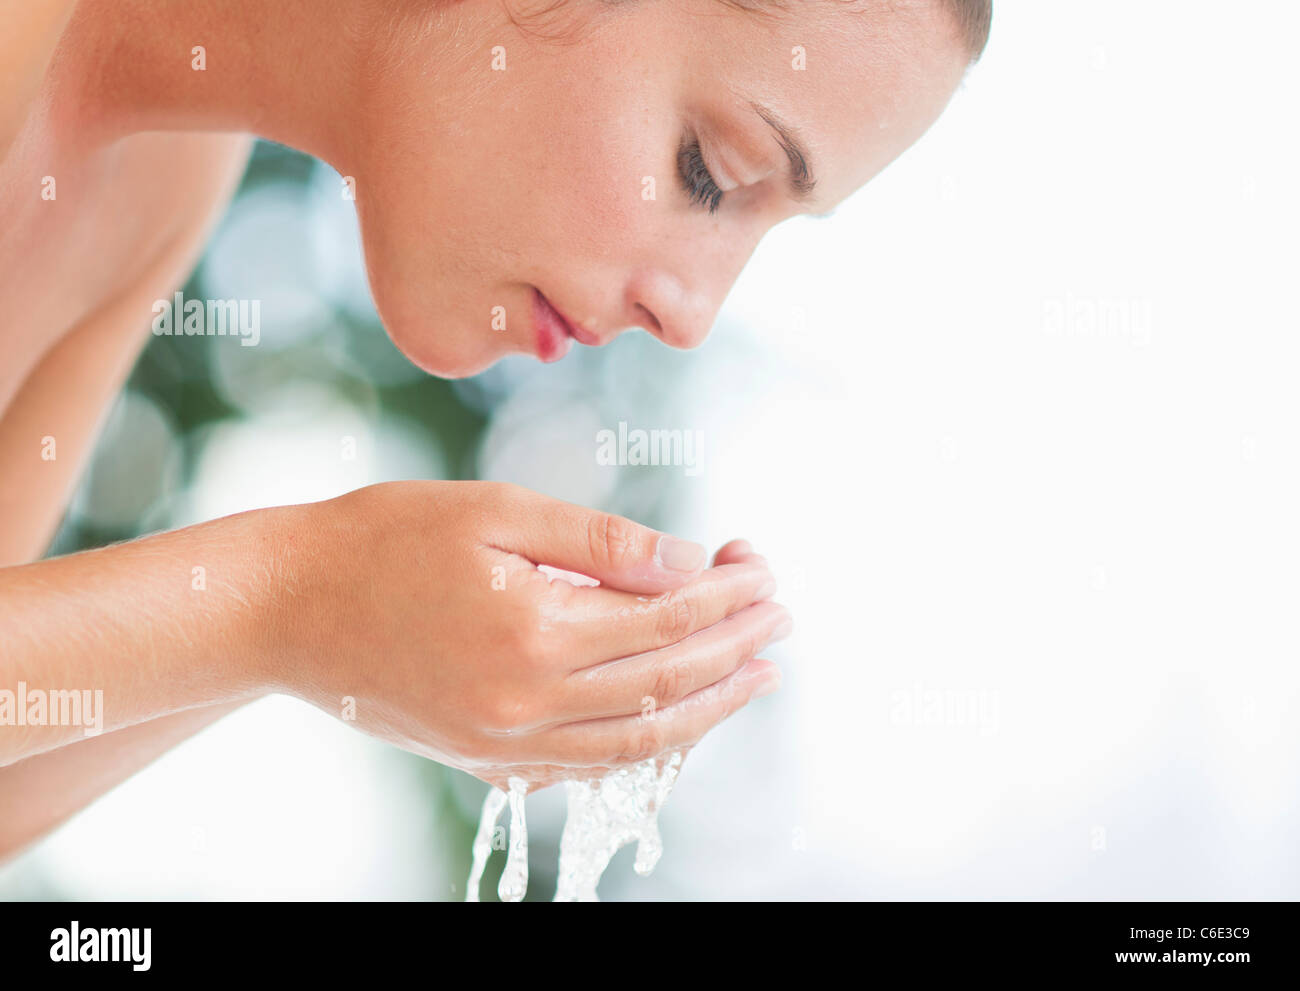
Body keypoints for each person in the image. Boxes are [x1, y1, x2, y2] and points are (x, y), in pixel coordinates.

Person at [0, 0, 991, 860]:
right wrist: (287, 597)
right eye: (708, 171)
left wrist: (352, 626)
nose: (691, 316)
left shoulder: (156, 179)